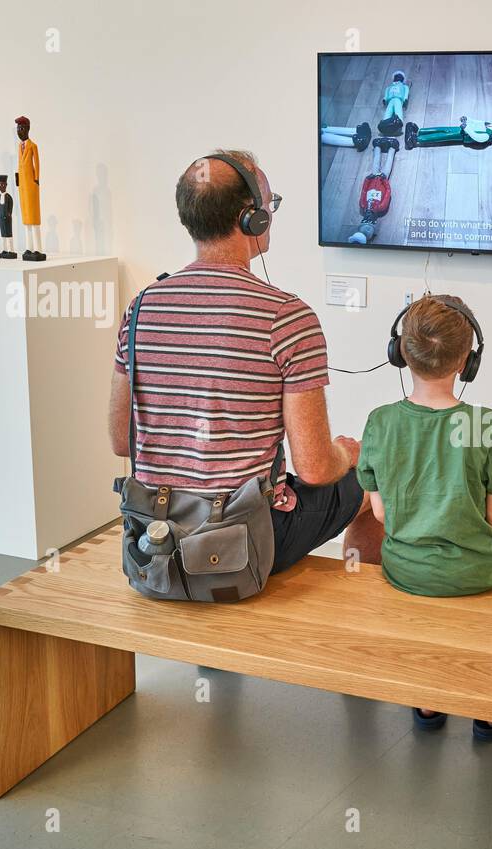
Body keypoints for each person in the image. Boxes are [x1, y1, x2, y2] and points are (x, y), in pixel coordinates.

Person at [106, 149, 383, 575]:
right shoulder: (287, 317)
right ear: (250, 217)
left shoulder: (141, 308)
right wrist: (348, 455)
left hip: (153, 543)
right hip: (241, 546)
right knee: (374, 470)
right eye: (269, 204)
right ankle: (364, 620)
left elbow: (122, 442)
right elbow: (314, 469)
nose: (270, 213)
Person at [355, 294, 492, 741]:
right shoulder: (486, 424)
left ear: (400, 353)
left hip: (406, 570)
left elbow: (381, 513)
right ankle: (487, 712)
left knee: (430, 601)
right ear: (468, 361)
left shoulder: (381, 422)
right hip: (475, 570)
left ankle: (428, 703)